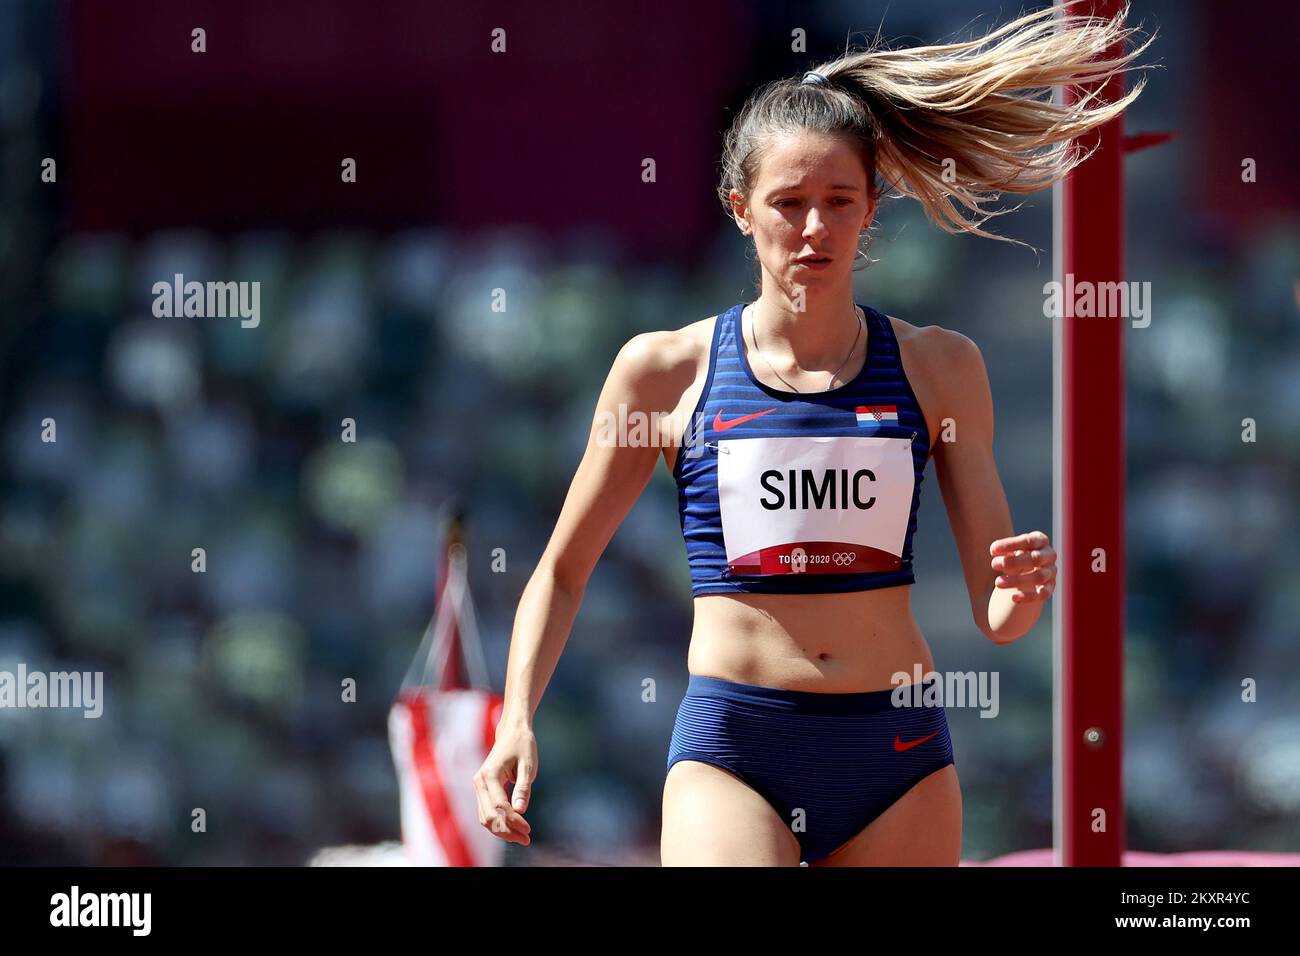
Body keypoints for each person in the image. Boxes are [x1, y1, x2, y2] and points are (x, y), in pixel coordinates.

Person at [472, 1, 1151, 866]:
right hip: (737, 747)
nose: (814, 228)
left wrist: (1021, 595)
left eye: (839, 201)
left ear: (873, 209)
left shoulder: (940, 367)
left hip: (896, 752)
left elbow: (997, 614)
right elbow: (563, 571)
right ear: (739, 207)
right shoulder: (664, 371)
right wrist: (515, 719)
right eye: (788, 203)